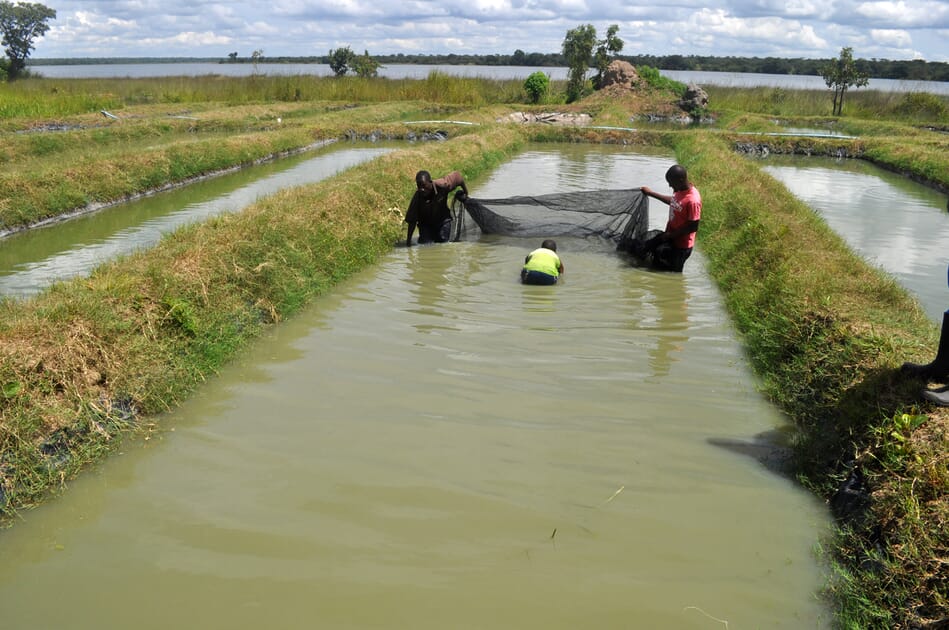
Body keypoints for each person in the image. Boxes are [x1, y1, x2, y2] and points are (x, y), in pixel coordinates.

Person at [638, 164, 702, 272]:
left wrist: (670, 235)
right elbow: (674, 202)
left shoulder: (693, 200)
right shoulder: (679, 190)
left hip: (681, 247)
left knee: (672, 274)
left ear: (681, 180)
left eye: (671, 183)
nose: (669, 186)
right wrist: (651, 193)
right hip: (670, 238)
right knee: (652, 258)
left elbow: (693, 227)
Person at [404, 170, 468, 246]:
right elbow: (412, 221)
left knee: (444, 242)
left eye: (424, 185)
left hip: (443, 220)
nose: (422, 189)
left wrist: (465, 192)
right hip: (425, 224)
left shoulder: (443, 185)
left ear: (430, 182)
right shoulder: (417, 197)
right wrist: (408, 242)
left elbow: (458, 177)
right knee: (425, 245)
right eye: (419, 186)